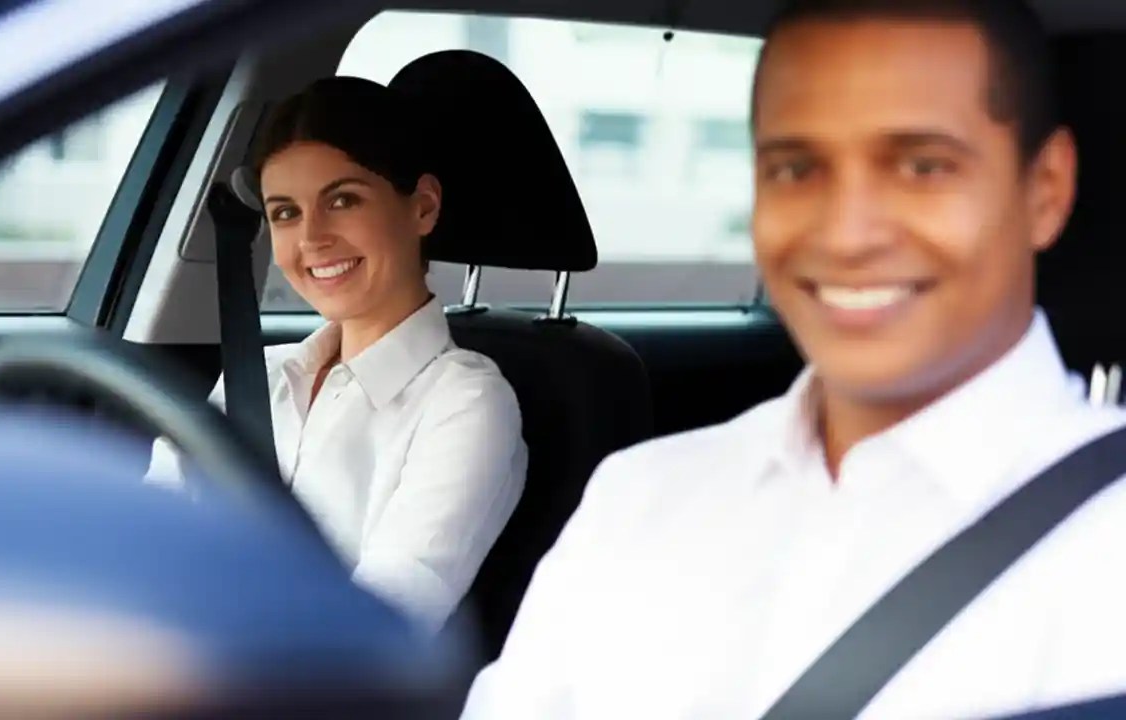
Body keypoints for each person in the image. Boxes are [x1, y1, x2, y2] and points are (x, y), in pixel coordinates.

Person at [461, 0, 1126, 717]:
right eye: (795, 168)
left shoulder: (1103, 548)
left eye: (923, 167)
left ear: (1045, 189)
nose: (846, 233)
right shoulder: (639, 499)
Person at [146, 76, 527, 633]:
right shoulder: (259, 378)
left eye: (342, 200)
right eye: (285, 213)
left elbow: (380, 625)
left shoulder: (465, 403)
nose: (312, 239)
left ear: (422, 207)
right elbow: (148, 537)